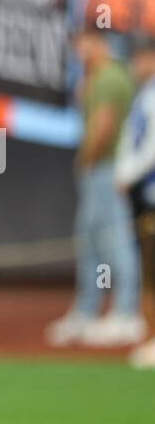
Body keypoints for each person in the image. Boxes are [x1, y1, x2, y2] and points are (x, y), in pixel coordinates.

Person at [46, 28, 145, 348]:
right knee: (90, 240)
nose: (79, 51)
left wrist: (86, 161)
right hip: (101, 169)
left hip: (103, 168)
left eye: (83, 43)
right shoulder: (101, 75)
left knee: (115, 241)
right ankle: (87, 311)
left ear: (98, 41)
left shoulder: (109, 77)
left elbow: (103, 126)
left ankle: (126, 313)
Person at [115, 37, 155, 368]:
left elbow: (151, 149)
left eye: (143, 58)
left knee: (152, 268)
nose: (136, 65)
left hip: (151, 193)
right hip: (144, 194)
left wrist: (125, 174)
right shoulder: (143, 94)